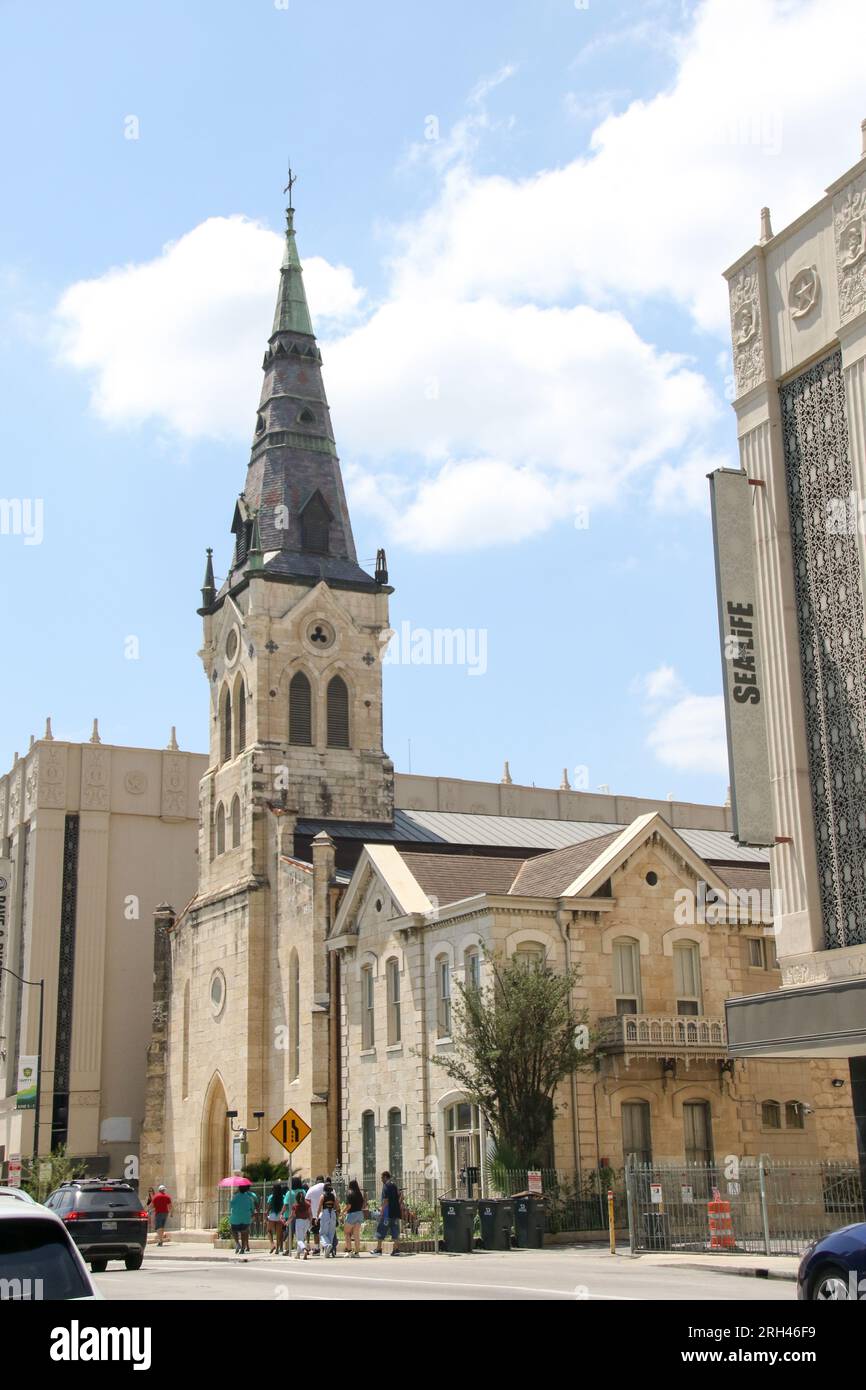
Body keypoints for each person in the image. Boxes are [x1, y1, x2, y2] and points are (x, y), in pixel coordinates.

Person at [373, 1171, 401, 1256]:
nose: (381, 1180)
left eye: (382, 1178)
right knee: (395, 1231)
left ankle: (378, 1249)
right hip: (395, 1212)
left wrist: (382, 1210)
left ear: (385, 1177)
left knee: (381, 1230)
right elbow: (400, 1195)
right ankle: (396, 1249)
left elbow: (385, 1200)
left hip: (387, 1213)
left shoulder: (386, 1186)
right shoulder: (394, 1185)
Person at [229, 1183, 256, 1256]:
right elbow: (252, 1209)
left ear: (239, 1189)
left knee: (233, 1230)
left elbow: (231, 1205)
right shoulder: (249, 1198)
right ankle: (243, 1248)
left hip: (235, 1218)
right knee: (244, 1232)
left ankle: (237, 1243)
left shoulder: (235, 1197)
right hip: (246, 1218)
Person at [342, 1179, 365, 1258]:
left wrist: (342, 1212)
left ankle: (349, 1251)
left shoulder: (349, 1193)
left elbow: (349, 1206)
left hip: (352, 1214)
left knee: (346, 1233)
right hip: (359, 1214)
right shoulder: (359, 1194)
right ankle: (357, 1252)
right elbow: (363, 1204)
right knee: (356, 1234)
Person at [318, 1178, 339, 1258]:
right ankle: (328, 1252)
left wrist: (317, 1217)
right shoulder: (334, 1196)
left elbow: (319, 1207)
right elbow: (337, 1206)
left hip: (325, 1213)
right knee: (331, 1233)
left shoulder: (322, 1196)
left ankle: (327, 1245)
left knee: (322, 1233)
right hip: (332, 1213)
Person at [305, 1175, 326, 1255]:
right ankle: (326, 1247)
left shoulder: (312, 1188)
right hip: (326, 1214)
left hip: (314, 1215)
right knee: (325, 1232)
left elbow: (307, 1201)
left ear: (316, 1180)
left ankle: (317, 1249)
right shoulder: (329, 1188)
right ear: (323, 1180)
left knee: (316, 1232)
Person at [291, 1186, 312, 1260]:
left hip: (299, 1222)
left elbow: (293, 1215)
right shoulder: (307, 1204)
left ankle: (304, 1249)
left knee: (299, 1240)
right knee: (302, 1238)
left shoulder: (295, 1206)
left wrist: (287, 1222)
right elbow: (310, 1214)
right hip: (306, 1222)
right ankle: (298, 1254)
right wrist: (311, 1222)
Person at [265, 1182, 285, 1255]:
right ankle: (277, 1250)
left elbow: (269, 1206)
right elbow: (284, 1205)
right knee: (278, 1234)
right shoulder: (283, 1196)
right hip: (279, 1215)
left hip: (272, 1215)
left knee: (269, 1231)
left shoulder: (271, 1197)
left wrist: (266, 1213)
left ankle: (272, 1244)